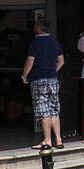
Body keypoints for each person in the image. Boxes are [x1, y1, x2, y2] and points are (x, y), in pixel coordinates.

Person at [22, 18, 65, 150]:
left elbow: (30, 61)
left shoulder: (35, 43)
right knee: (54, 109)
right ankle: (58, 139)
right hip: (52, 79)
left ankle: (47, 140)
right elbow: (61, 61)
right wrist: (52, 70)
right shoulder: (55, 42)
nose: (34, 27)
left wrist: (25, 75)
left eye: (36, 25)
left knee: (43, 110)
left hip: (39, 79)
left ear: (40, 27)